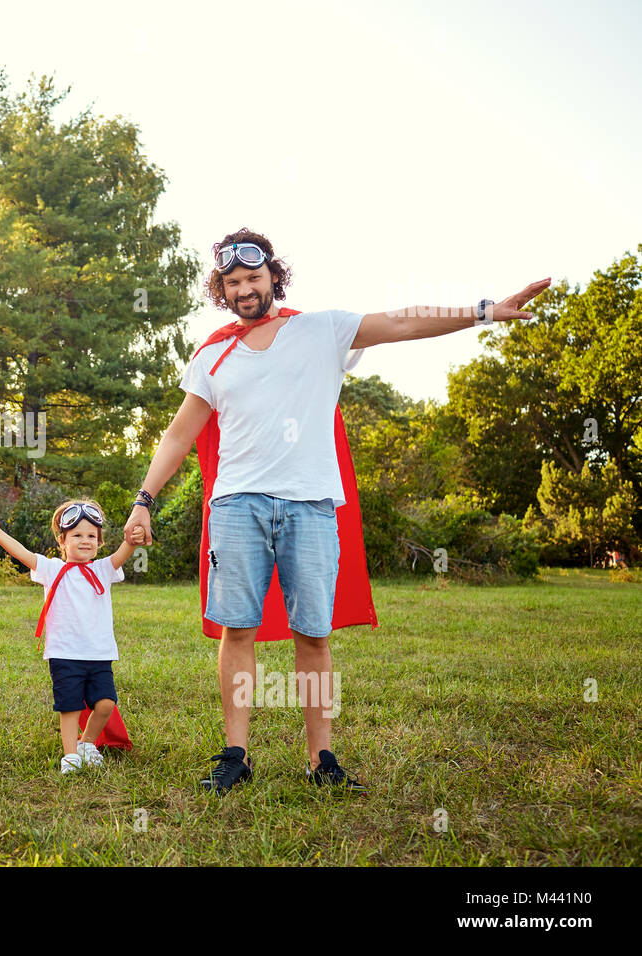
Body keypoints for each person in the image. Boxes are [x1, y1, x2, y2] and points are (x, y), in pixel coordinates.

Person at [124, 227, 550, 795]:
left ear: (274, 276)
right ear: (220, 290)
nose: (244, 289)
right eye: (232, 283)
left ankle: (322, 759)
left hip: (311, 506)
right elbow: (178, 436)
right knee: (238, 630)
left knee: (314, 634)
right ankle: (235, 755)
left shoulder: (320, 330)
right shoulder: (213, 354)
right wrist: (144, 501)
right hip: (235, 505)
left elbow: (402, 321)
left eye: (253, 278)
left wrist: (483, 311)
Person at [0, 499, 136, 773]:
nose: (85, 541)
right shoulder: (52, 569)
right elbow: (22, 553)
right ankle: (70, 755)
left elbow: (123, 552)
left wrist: (134, 538)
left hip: (99, 654)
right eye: (77, 535)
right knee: (69, 707)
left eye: (91, 536)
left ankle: (87, 743)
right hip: (64, 654)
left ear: (99, 542)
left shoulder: (102, 570)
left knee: (105, 703)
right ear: (62, 541)